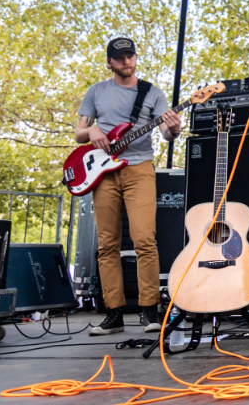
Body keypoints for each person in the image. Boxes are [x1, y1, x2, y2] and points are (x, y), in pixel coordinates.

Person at [75, 37, 182, 336]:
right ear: (109, 62)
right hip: (103, 173)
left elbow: (166, 132)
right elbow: (79, 134)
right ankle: (114, 313)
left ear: (135, 58)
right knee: (106, 244)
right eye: (119, 57)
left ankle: (150, 310)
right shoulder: (96, 92)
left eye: (130, 56)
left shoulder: (152, 93)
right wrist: (92, 129)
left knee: (144, 240)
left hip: (139, 170)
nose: (126, 61)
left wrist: (173, 127)